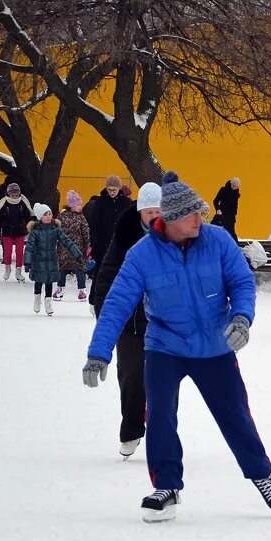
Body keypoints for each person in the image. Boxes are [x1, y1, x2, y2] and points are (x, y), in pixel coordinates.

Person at [83, 174, 271, 522]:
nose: (199, 219)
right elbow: (117, 303)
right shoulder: (142, 255)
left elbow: (241, 282)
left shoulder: (217, 240)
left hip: (214, 345)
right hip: (165, 347)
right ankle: (166, 487)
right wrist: (98, 352)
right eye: (192, 214)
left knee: (235, 414)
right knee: (159, 415)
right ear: (171, 218)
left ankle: (260, 474)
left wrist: (241, 318)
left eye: (200, 212)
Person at [89, 180, 163, 459]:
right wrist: (103, 313)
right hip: (131, 321)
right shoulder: (125, 234)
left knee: (165, 382)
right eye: (149, 211)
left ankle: (162, 434)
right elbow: (107, 273)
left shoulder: (175, 236)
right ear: (140, 212)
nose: (154, 216)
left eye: (159, 211)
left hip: (165, 324)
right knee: (131, 377)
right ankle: (132, 430)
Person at [24, 204, 82, 316]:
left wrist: (78, 255)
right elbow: (29, 247)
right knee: (38, 282)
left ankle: (48, 303)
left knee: (49, 282)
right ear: (40, 217)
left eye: (50, 214)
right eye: (45, 214)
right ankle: (37, 300)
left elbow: (67, 242)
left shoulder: (55, 229)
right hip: (38, 260)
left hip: (51, 259)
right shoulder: (35, 231)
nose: (48, 216)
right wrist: (27, 262)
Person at [86, 175, 133, 278]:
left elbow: (130, 223)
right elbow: (94, 224)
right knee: (101, 274)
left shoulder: (126, 202)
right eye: (109, 190)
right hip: (102, 244)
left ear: (119, 188)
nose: (111, 192)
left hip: (121, 244)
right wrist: (94, 243)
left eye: (114, 190)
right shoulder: (100, 202)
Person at [0, 182, 33, 283]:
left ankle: (18, 271)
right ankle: (7, 268)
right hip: (7, 232)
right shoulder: (4, 203)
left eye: (16, 194)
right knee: (7, 251)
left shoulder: (22, 203)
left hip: (20, 231)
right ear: (8, 193)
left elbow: (27, 217)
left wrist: (31, 226)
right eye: (12, 194)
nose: (14, 196)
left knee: (19, 252)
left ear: (19, 193)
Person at [55, 191, 91, 301]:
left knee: (78, 269)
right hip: (67, 249)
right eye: (78, 204)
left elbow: (85, 231)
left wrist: (88, 243)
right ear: (72, 205)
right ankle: (60, 289)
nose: (80, 206)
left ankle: (81, 290)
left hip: (76, 249)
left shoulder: (79, 217)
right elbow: (57, 230)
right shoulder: (64, 216)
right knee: (64, 269)